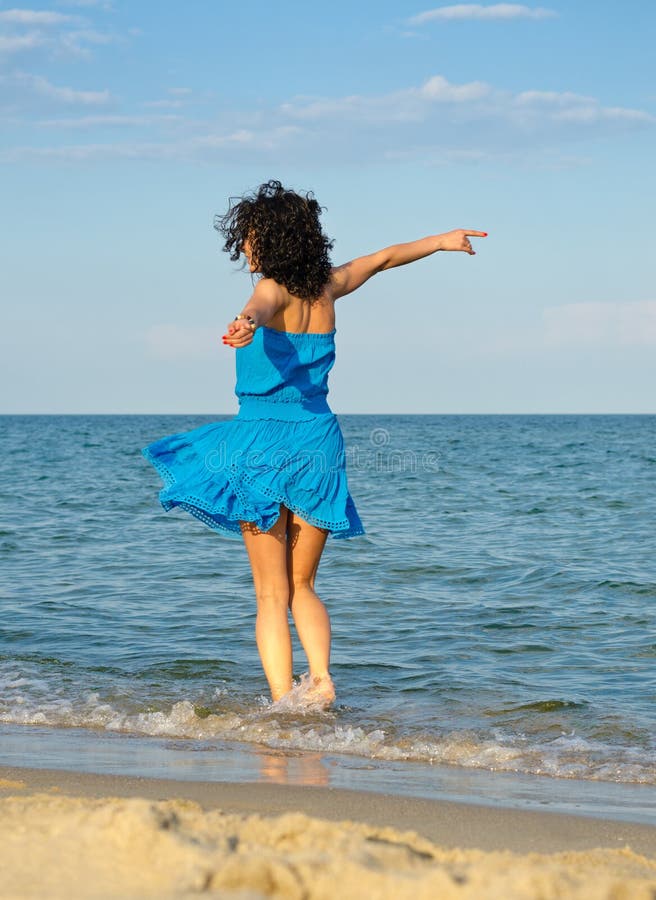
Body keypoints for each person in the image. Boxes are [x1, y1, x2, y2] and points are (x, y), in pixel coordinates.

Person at [142, 179, 486, 708]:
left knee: (270, 593)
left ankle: (283, 701)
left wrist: (244, 322)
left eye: (252, 237)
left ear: (272, 240)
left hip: (260, 442)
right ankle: (321, 680)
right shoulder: (330, 285)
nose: (246, 247)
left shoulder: (271, 289)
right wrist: (444, 239)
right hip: (319, 443)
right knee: (303, 585)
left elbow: (259, 304)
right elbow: (386, 258)